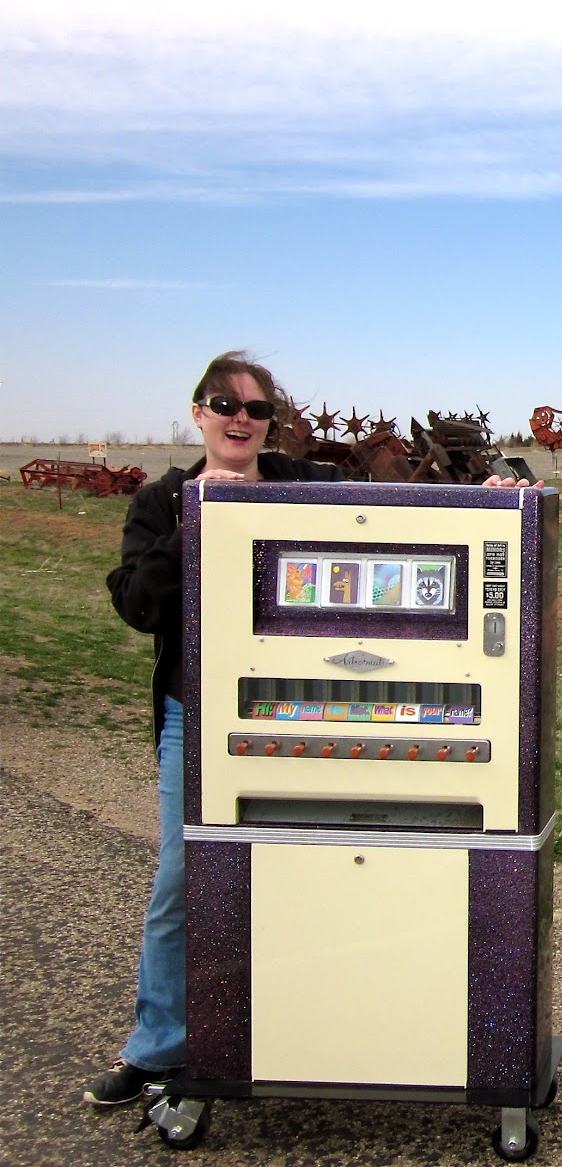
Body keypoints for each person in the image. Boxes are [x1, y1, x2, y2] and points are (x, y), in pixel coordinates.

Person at [85, 352, 536, 1106]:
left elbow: (400, 508)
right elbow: (137, 607)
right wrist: (196, 515)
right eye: (223, 404)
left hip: (320, 704)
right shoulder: (163, 500)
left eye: (255, 409)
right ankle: (157, 1048)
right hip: (197, 723)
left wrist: (487, 497)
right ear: (197, 412)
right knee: (183, 882)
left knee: (346, 859)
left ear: (270, 423)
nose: (239, 419)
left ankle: (330, 1028)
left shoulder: (303, 482)